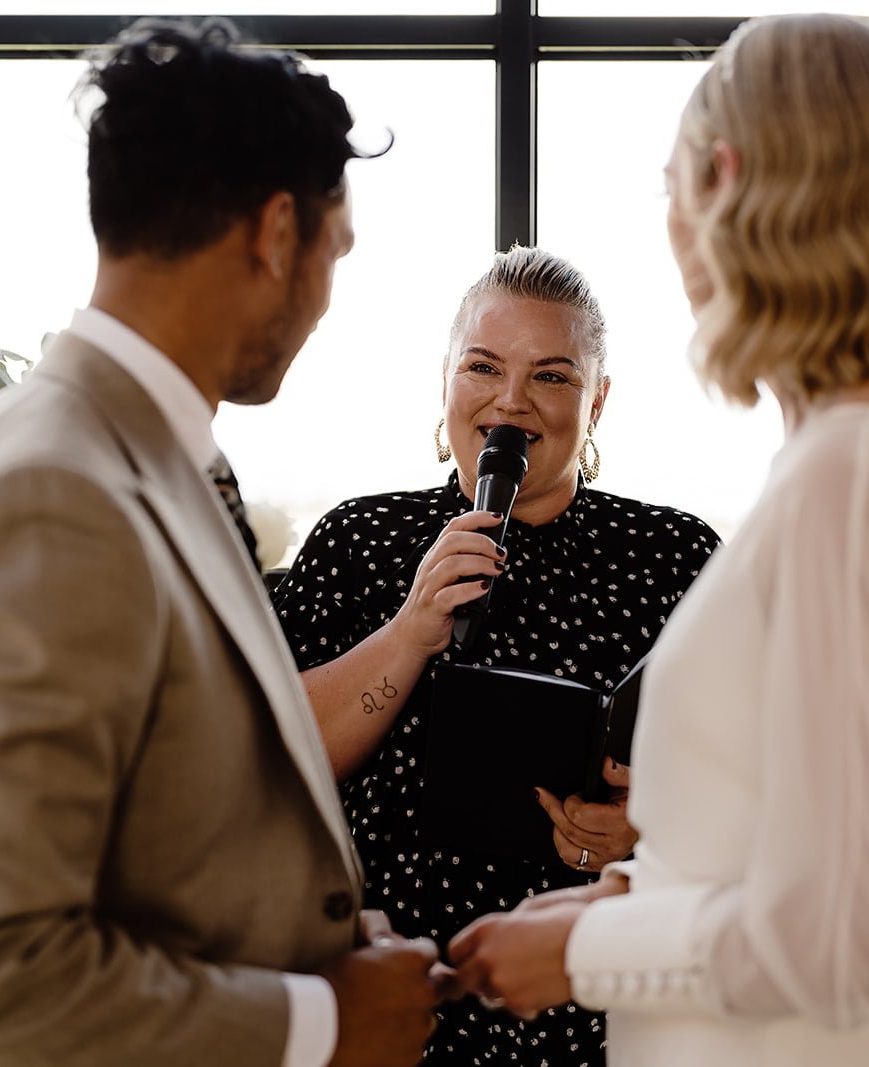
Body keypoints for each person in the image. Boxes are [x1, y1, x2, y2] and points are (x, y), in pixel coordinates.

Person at [0, 19, 447, 1067]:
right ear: (276, 235)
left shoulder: (143, 459)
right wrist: (319, 1024)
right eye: (335, 251)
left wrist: (318, 946)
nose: (326, 298)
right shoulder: (53, 498)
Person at [447, 14, 869, 1066]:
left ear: (726, 179)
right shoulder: (859, 457)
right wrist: (628, 888)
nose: (670, 224)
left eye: (670, 184)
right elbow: (851, 844)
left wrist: (593, 943)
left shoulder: (857, 475)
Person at [273, 246, 721, 1066]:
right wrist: (410, 631)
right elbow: (274, 762)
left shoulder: (676, 558)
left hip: (594, 1012)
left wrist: (642, 831)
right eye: (482, 366)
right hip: (387, 1005)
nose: (511, 402)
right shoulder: (358, 539)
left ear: (598, 401)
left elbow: (754, 783)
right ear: (445, 377)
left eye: (552, 376)